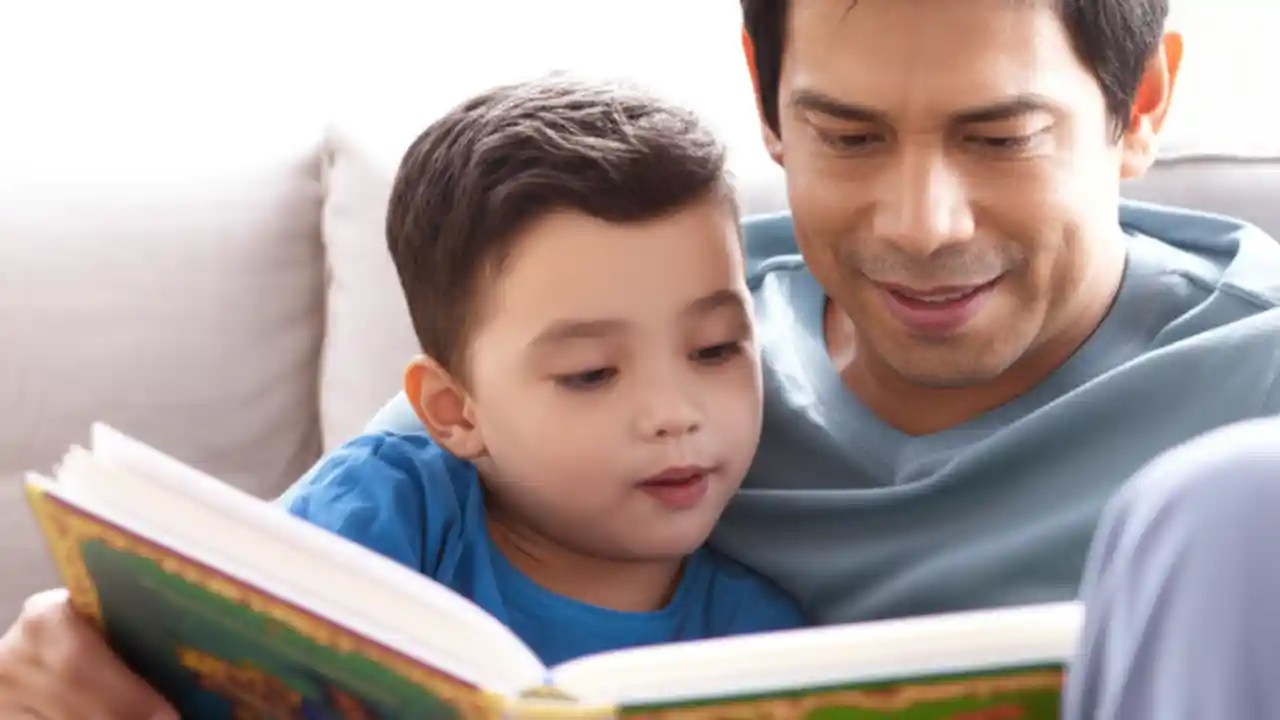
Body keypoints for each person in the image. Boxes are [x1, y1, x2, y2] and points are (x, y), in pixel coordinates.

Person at [2, 0, 1279, 718]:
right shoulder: (650, 320)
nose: (916, 226)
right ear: (763, 100)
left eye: (999, 138)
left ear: (1142, 108)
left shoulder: (1252, 406)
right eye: (846, 136)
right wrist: (93, 667)